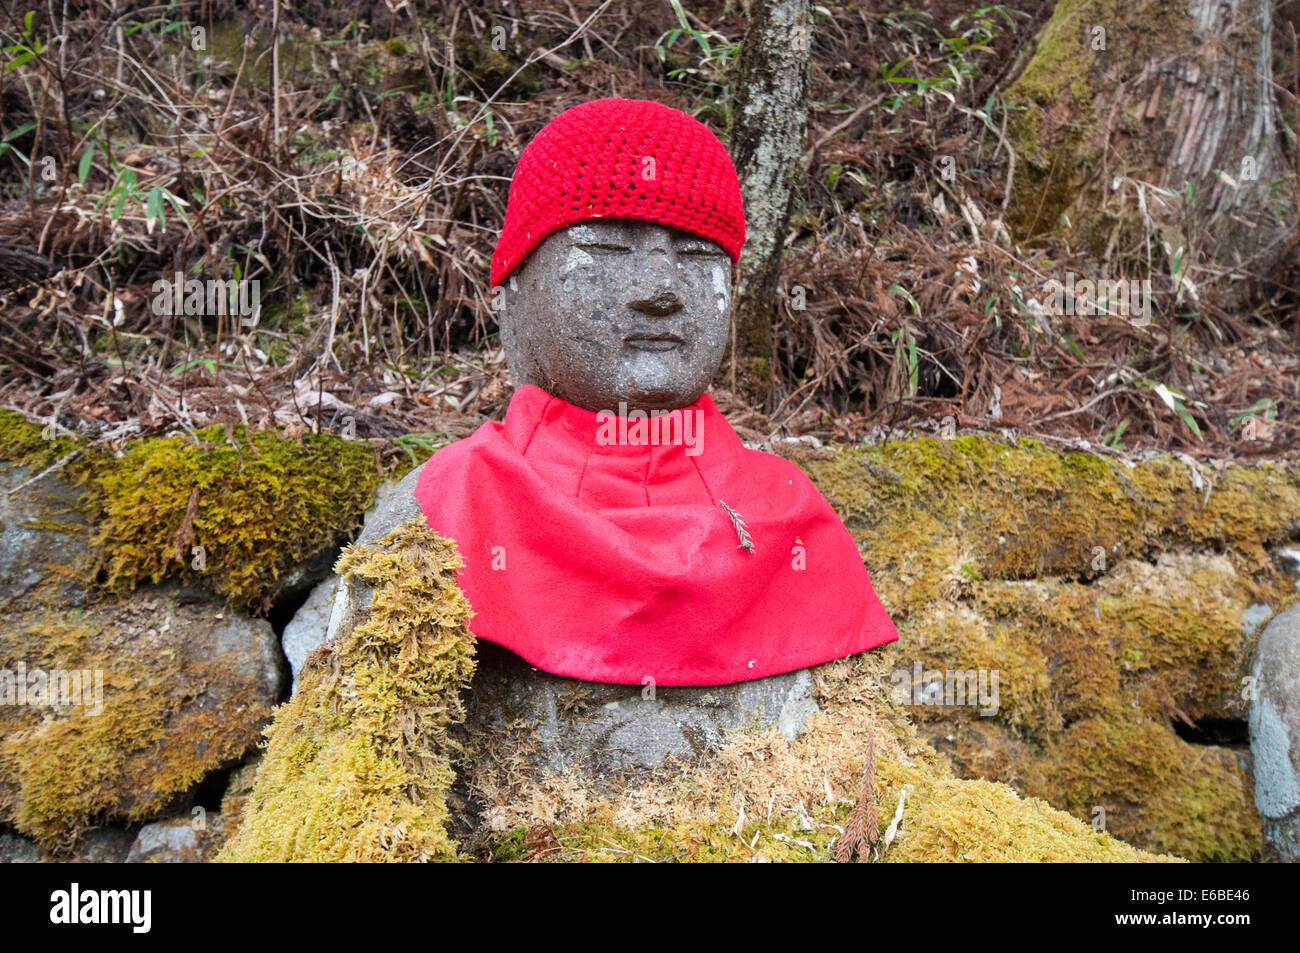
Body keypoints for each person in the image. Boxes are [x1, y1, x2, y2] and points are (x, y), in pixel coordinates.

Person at [412, 97, 898, 685]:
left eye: (696, 255)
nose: (660, 291)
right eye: (608, 250)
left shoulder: (787, 514)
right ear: (515, 293)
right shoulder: (451, 510)